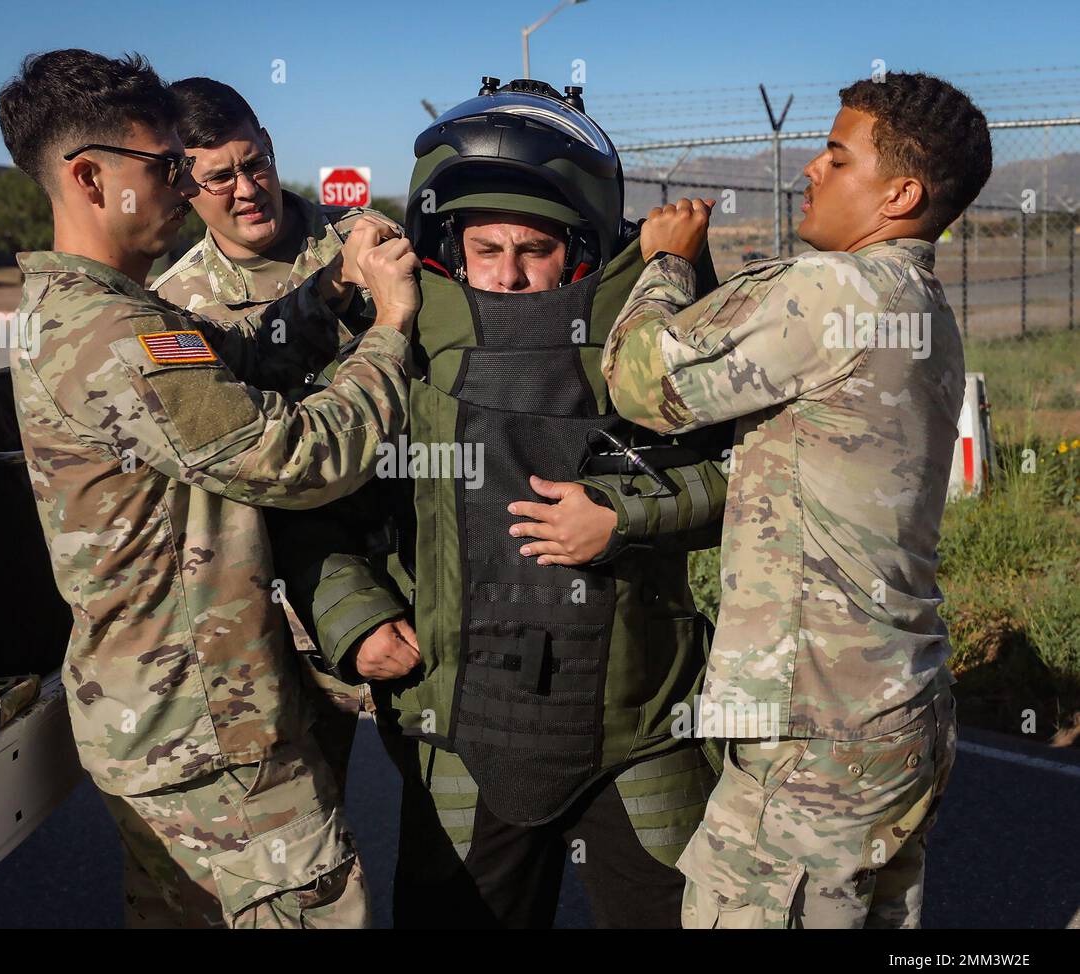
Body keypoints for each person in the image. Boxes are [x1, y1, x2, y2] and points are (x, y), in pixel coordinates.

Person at [278, 78, 731, 928]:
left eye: (538, 249)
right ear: (450, 246)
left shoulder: (651, 343)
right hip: (459, 728)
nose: (513, 274)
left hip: (639, 729)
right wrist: (355, 622)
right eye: (489, 249)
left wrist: (621, 516)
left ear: (584, 247)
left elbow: (744, 481)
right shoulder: (396, 352)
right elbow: (312, 510)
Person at [0, 48, 420, 929]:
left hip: (166, 724)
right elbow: (293, 456)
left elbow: (250, 361)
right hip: (209, 729)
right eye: (164, 169)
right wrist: (390, 328)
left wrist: (338, 289)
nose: (183, 188)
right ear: (89, 176)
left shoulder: (104, 310)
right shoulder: (115, 333)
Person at [602, 71, 991, 928]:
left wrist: (662, 261)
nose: (810, 169)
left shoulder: (837, 291)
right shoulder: (922, 303)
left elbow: (642, 381)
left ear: (900, 193)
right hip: (897, 705)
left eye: (835, 154)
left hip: (815, 724)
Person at [150, 77, 401, 791]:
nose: (247, 188)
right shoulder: (177, 307)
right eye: (218, 176)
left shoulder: (365, 243)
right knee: (308, 816)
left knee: (450, 818)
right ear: (182, 184)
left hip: (413, 574)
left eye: (254, 162)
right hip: (286, 616)